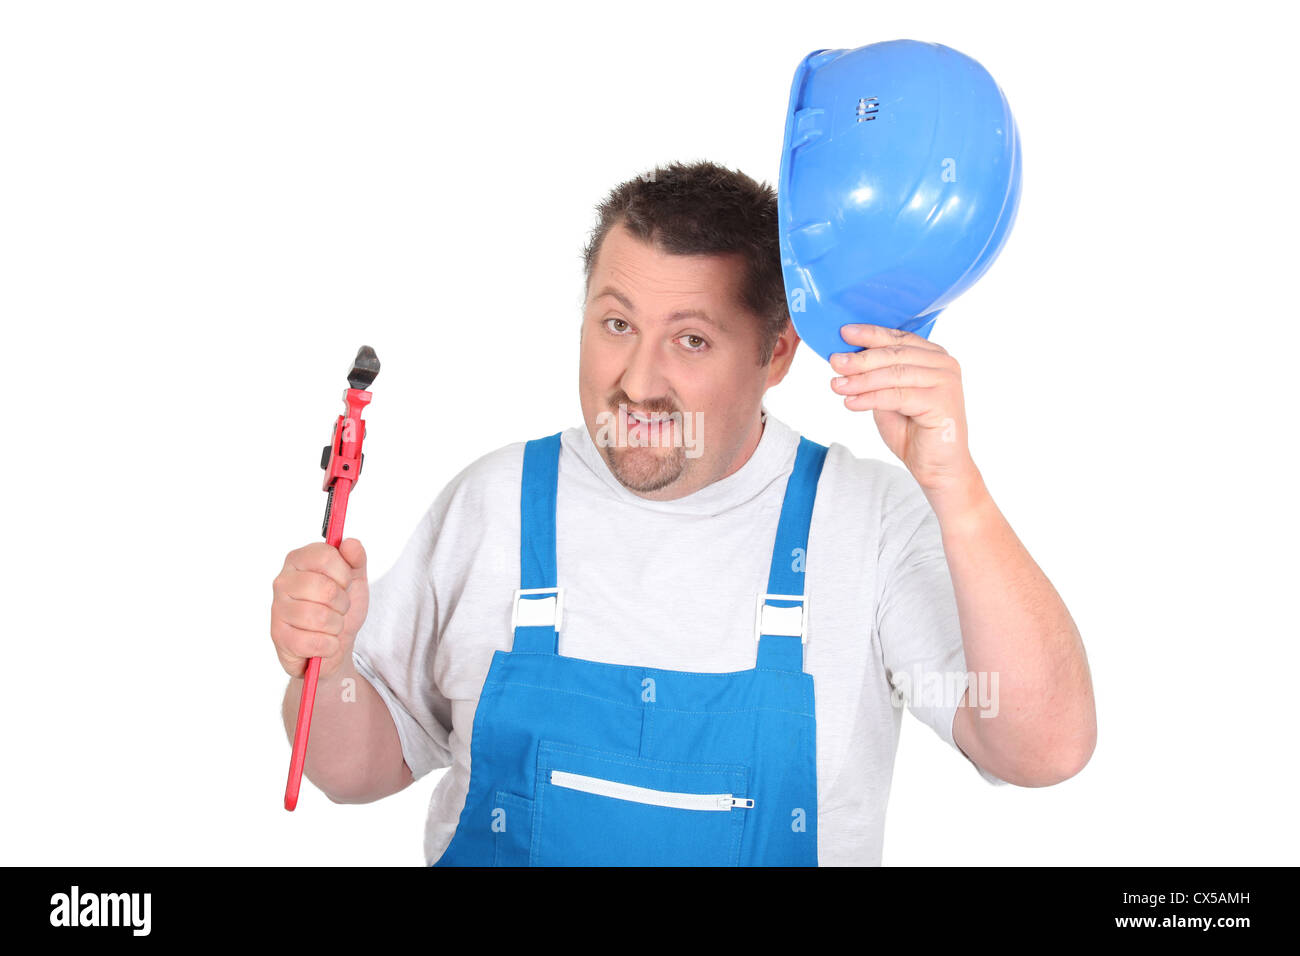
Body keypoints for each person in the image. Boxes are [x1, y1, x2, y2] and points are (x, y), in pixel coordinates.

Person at [269, 160, 1097, 866]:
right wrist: (327, 670)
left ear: (777, 353)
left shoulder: (866, 526)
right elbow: (355, 770)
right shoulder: (495, 502)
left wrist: (958, 490)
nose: (637, 380)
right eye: (617, 323)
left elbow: (1044, 749)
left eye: (691, 339)